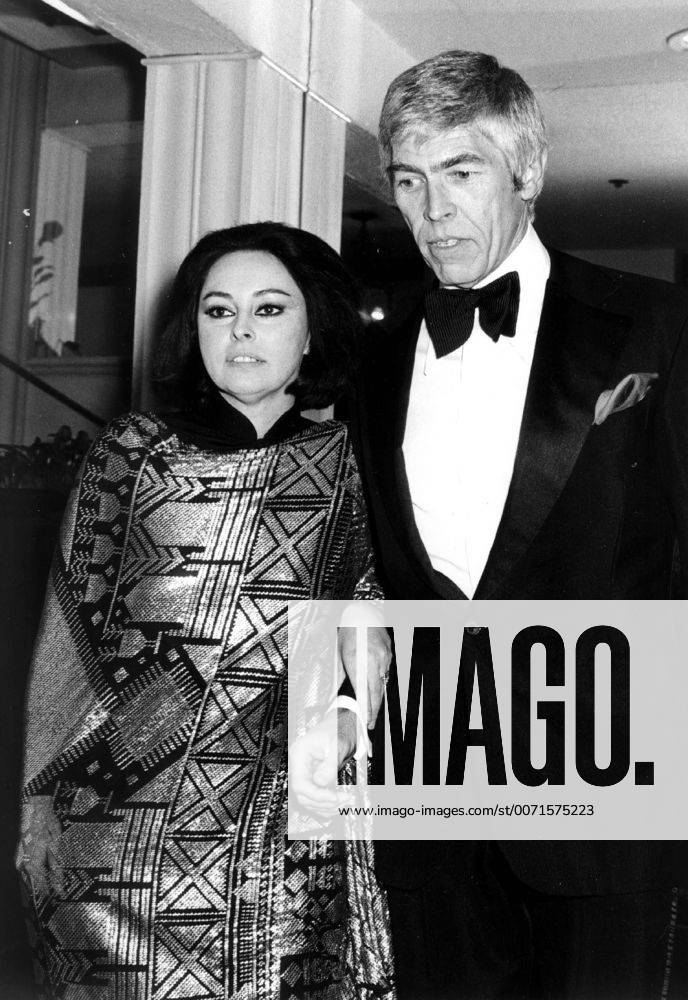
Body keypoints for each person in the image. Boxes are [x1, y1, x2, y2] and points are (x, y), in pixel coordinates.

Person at [294, 50, 688, 1000]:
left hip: (606, 760)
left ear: (528, 171)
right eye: (408, 181)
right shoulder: (375, 360)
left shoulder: (656, 324)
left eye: (461, 172)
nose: (433, 211)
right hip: (430, 770)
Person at [16, 222, 395, 1000]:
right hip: (115, 850)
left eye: (269, 309)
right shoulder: (130, 456)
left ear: (312, 331)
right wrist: (42, 814)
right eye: (219, 311)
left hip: (283, 847)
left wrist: (347, 718)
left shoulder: (348, 467)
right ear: (194, 331)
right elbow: (68, 640)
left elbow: (367, 617)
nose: (241, 331)